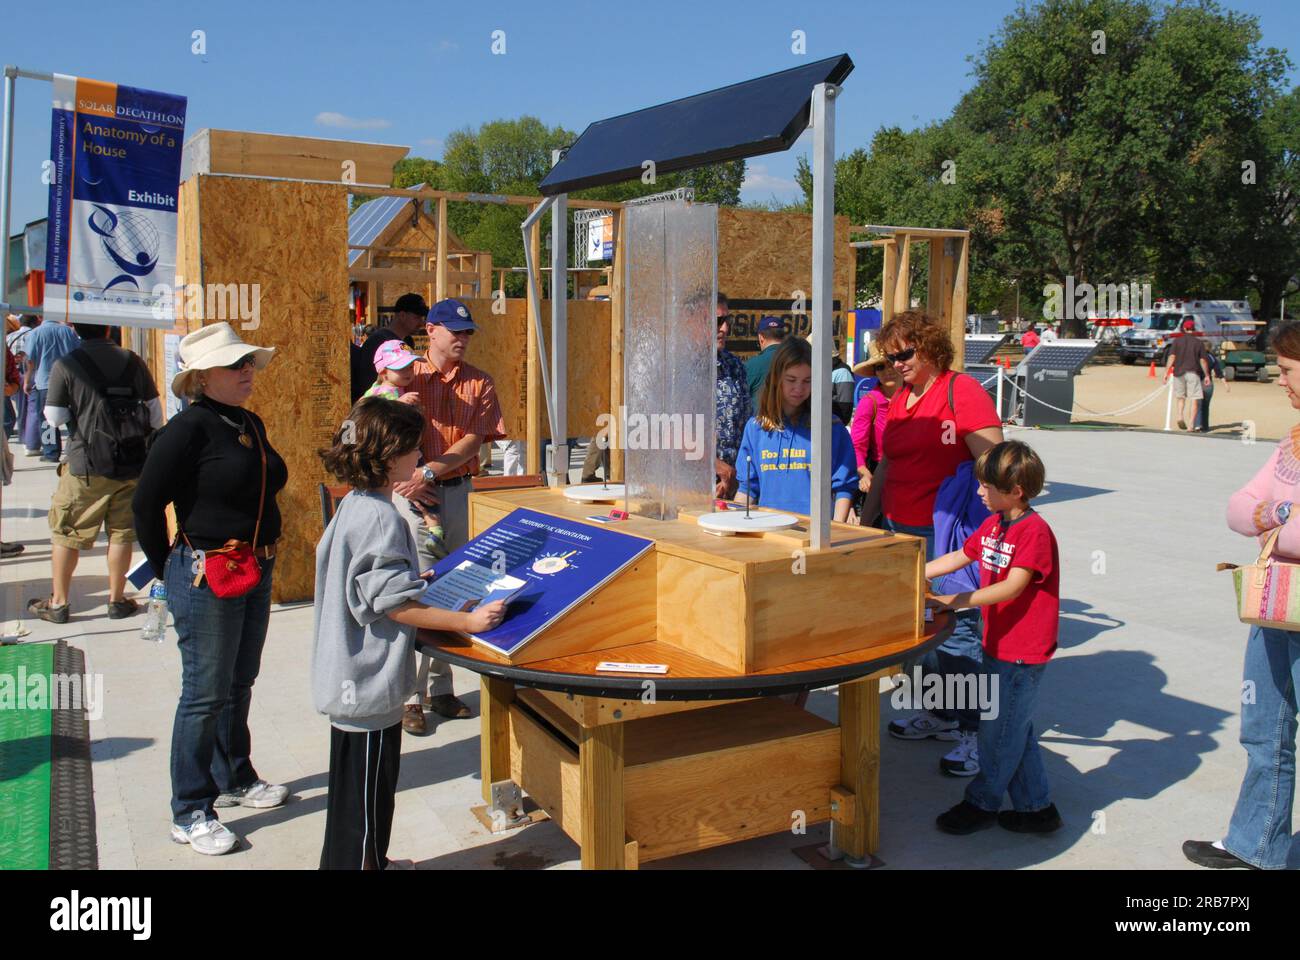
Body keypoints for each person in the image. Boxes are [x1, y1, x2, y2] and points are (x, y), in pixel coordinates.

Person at [314, 398, 505, 869]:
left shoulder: (354, 505)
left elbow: (375, 588)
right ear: (388, 454)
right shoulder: (383, 517)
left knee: (351, 798)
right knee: (369, 795)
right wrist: (467, 621)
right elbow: (394, 606)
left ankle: (364, 861)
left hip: (344, 679)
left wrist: (417, 585)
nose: (421, 459)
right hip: (367, 685)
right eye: (415, 450)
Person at [132, 322, 289, 856]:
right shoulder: (187, 429)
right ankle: (190, 809)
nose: (248, 371)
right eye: (236, 364)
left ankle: (235, 776)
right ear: (201, 377)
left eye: (248, 362)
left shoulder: (247, 420)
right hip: (207, 571)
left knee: (239, 681)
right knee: (203, 694)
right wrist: (167, 569)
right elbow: (145, 505)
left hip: (254, 567)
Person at [859, 311, 1004, 776]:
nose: (897, 363)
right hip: (899, 529)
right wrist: (867, 523)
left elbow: (996, 461)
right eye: (891, 355)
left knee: (958, 629)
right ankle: (940, 714)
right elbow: (886, 465)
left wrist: (995, 529)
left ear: (931, 348)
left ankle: (973, 734)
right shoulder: (901, 398)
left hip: (946, 535)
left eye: (905, 353)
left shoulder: (962, 391)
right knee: (916, 630)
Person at [1184, 321, 1300, 870]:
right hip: (1276, 605)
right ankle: (1256, 846)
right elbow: (1238, 507)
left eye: (1288, 370)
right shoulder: (1289, 445)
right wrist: (1277, 514)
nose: (1281, 381)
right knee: (1264, 733)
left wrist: (1273, 519)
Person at [925, 441, 1063, 835]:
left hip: (1023, 653)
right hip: (997, 644)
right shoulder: (993, 524)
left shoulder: (1033, 532)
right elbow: (959, 556)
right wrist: (914, 572)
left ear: (1016, 490)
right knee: (1014, 729)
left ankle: (982, 802)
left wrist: (952, 601)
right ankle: (1038, 809)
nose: (979, 492)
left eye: (986, 486)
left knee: (997, 733)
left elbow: (1012, 588)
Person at [393, 298, 506, 733]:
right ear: (431, 331)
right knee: (416, 590)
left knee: (453, 585)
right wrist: (407, 474)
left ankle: (440, 688)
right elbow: (372, 425)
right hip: (411, 496)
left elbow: (476, 440)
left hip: (455, 490)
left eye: (468, 333)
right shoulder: (405, 374)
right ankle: (409, 697)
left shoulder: (479, 382)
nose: (462, 339)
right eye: (455, 331)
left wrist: (428, 470)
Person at [25, 324, 162, 623]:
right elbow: (155, 414)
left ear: (76, 330)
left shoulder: (66, 364)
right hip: (131, 463)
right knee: (122, 533)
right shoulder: (134, 361)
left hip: (85, 466)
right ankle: (117, 600)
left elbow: (54, 417)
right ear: (110, 329)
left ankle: (59, 603)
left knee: (67, 533)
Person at [735, 337, 857, 520]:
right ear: (776, 379)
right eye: (791, 380)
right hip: (770, 533)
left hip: (816, 536)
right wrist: (735, 524)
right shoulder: (756, 428)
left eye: (807, 381)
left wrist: (837, 530)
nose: (798, 389)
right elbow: (747, 490)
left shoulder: (831, 428)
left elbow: (844, 487)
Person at [848, 341, 901, 525]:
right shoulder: (870, 402)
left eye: (890, 363)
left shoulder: (916, 397)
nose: (888, 370)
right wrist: (864, 472)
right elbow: (857, 445)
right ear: (875, 372)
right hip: (881, 477)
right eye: (880, 366)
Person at [21, 315, 81, 462]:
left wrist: (27, 381)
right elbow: (79, 354)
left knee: (46, 419)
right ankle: (77, 450)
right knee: (73, 418)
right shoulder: (69, 332)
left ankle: (51, 453)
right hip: (70, 381)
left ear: (41, 317)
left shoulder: (35, 333)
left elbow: (29, 360)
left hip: (45, 382)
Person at [350, 292, 428, 403]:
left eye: (422, 318)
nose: (421, 322)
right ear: (402, 315)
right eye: (417, 317)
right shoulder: (379, 342)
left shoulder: (406, 342)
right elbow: (368, 387)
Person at [714, 292, 751, 499]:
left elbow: (746, 424)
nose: (725, 328)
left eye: (727, 320)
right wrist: (712, 464)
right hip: (687, 488)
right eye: (718, 321)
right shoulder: (675, 367)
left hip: (731, 487)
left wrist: (739, 475)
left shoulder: (734, 366)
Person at [1165, 318, 1211, 432]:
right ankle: (1191, 425)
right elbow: (1203, 361)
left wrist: (1166, 372)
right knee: (1194, 399)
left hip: (1178, 372)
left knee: (1180, 397)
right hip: (1193, 372)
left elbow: (1172, 357)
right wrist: (1207, 375)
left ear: (1184, 329)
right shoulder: (1199, 343)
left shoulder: (1177, 341)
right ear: (1193, 329)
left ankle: (1180, 416)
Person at [745, 315, 788, 406]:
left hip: (760, 418)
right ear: (784, 338)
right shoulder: (797, 362)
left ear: (761, 338)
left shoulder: (751, 365)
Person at [362, 340, 421, 405]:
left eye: (411, 367)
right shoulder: (379, 391)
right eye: (401, 367)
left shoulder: (398, 388)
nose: (408, 372)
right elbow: (371, 411)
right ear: (384, 373)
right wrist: (398, 403)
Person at [1198, 349, 1227, 434]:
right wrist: (1225, 383)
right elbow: (1218, 371)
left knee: (1197, 404)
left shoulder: (1196, 356)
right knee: (1206, 406)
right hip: (1208, 383)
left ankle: (1197, 425)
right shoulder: (1212, 357)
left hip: (1198, 381)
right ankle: (1205, 426)